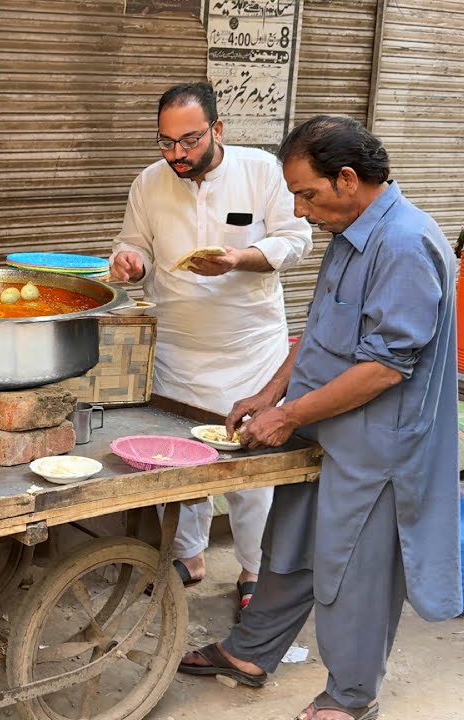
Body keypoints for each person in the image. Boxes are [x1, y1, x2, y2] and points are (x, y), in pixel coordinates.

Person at [177, 115, 461, 720]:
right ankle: (252, 652)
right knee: (292, 544)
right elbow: (322, 333)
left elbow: (385, 367)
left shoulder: (405, 244)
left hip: (376, 442)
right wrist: (269, 394)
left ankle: (352, 697)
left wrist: (289, 415)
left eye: (307, 193)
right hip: (323, 425)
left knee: (354, 570)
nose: (301, 211)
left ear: (349, 179)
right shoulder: (351, 229)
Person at [109, 82, 312, 613]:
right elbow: (133, 244)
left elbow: (297, 240)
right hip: (176, 347)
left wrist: (240, 259)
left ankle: (253, 570)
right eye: (166, 142)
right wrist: (131, 263)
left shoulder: (262, 170)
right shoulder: (149, 183)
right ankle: (189, 556)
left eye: (190, 141)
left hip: (251, 349)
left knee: (252, 469)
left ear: (217, 130)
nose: (177, 154)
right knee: (179, 462)